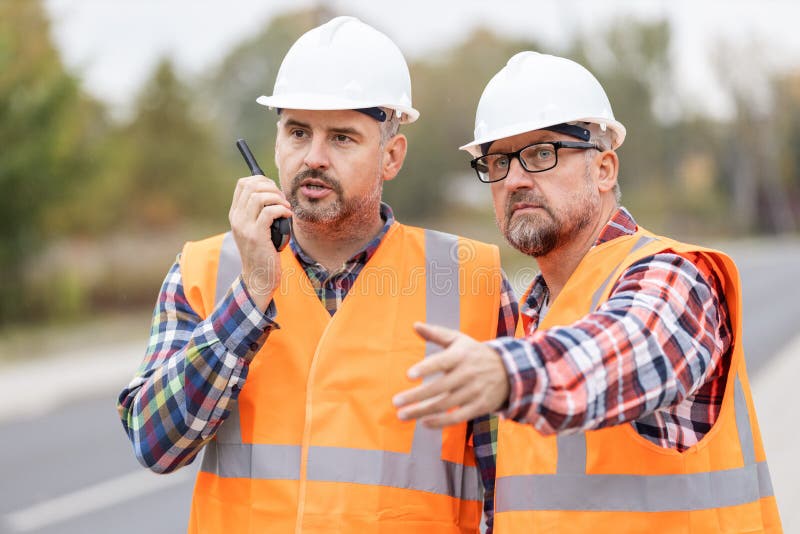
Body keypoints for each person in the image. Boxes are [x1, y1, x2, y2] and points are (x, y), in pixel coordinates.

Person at [117, 16, 517, 534]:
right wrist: (252, 294)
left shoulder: (471, 281)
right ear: (276, 141)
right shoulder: (205, 270)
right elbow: (155, 445)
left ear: (391, 156)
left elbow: (508, 485)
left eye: (343, 138)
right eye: (298, 132)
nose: (314, 158)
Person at [393, 51, 782, 532]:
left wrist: (506, 372)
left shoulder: (675, 277)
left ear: (604, 170)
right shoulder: (524, 319)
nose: (513, 179)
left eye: (541, 154)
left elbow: (630, 346)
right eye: (496, 161)